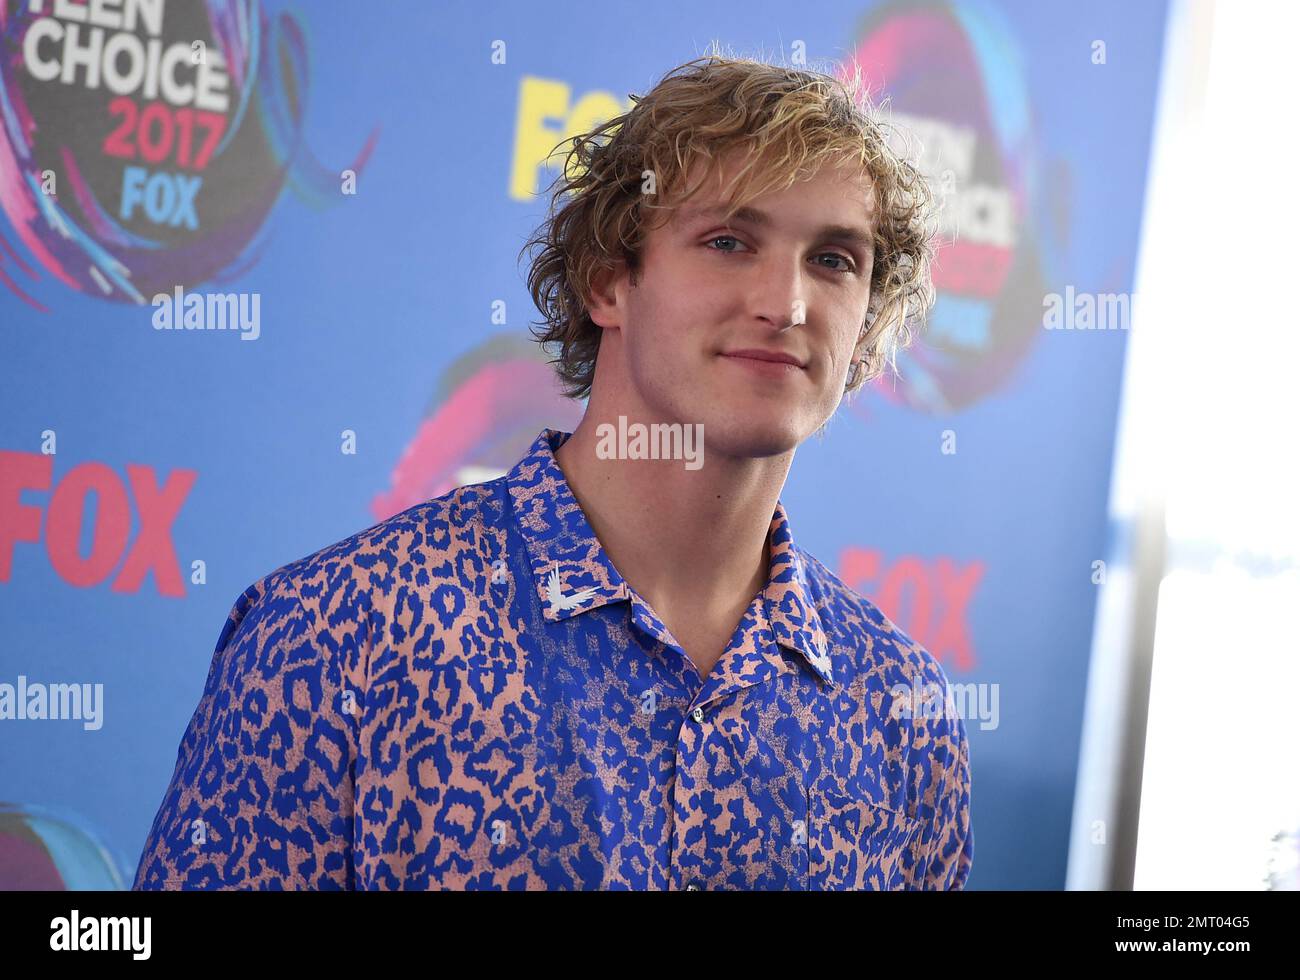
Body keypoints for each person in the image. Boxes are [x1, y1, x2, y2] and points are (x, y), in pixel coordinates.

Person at [133, 53, 971, 891]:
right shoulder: (338, 633)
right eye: (727, 241)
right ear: (608, 281)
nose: (786, 304)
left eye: (834, 260)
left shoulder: (901, 710)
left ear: (865, 324)